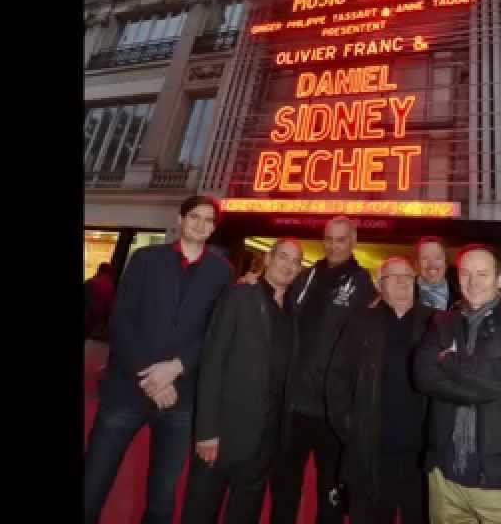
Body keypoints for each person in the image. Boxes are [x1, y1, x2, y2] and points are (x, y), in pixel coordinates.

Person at [83, 196, 233, 524]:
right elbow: (122, 319)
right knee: (92, 482)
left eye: (209, 220)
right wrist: (149, 376)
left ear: (213, 228)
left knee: (162, 498)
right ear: (180, 220)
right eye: (195, 217)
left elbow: (216, 332)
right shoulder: (145, 259)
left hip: (179, 399)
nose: (201, 224)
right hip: (127, 389)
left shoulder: (222, 273)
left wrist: (176, 367)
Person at [414, 245, 501, 524]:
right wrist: (494, 375)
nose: (473, 282)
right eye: (466, 274)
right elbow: (423, 377)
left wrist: (449, 362)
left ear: (499, 280)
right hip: (445, 479)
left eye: (483, 274)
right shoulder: (440, 322)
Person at [181, 238, 303, 524]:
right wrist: (206, 431)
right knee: (201, 512)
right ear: (268, 259)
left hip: (266, 439)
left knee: (245, 514)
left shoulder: (292, 310)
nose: (289, 265)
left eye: (296, 261)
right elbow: (212, 363)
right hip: (223, 434)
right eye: (283, 257)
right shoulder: (240, 296)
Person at [269, 215, 377, 524]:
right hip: (293, 407)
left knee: (329, 496)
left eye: (340, 239)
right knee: (284, 490)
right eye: (328, 238)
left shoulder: (362, 284)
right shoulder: (307, 277)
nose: (332, 245)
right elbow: (278, 302)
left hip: (333, 412)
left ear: (353, 242)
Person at [327, 256, 434, 524]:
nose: (401, 282)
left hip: (421, 452)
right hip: (371, 449)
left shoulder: (435, 323)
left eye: (408, 276)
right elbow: (337, 379)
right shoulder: (361, 323)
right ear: (379, 284)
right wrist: (350, 426)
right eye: (393, 277)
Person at [414, 236, 462, 311]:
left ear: (446, 263)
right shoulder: (404, 292)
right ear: (417, 263)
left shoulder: (462, 295)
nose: (432, 263)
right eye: (425, 258)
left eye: (438, 258)